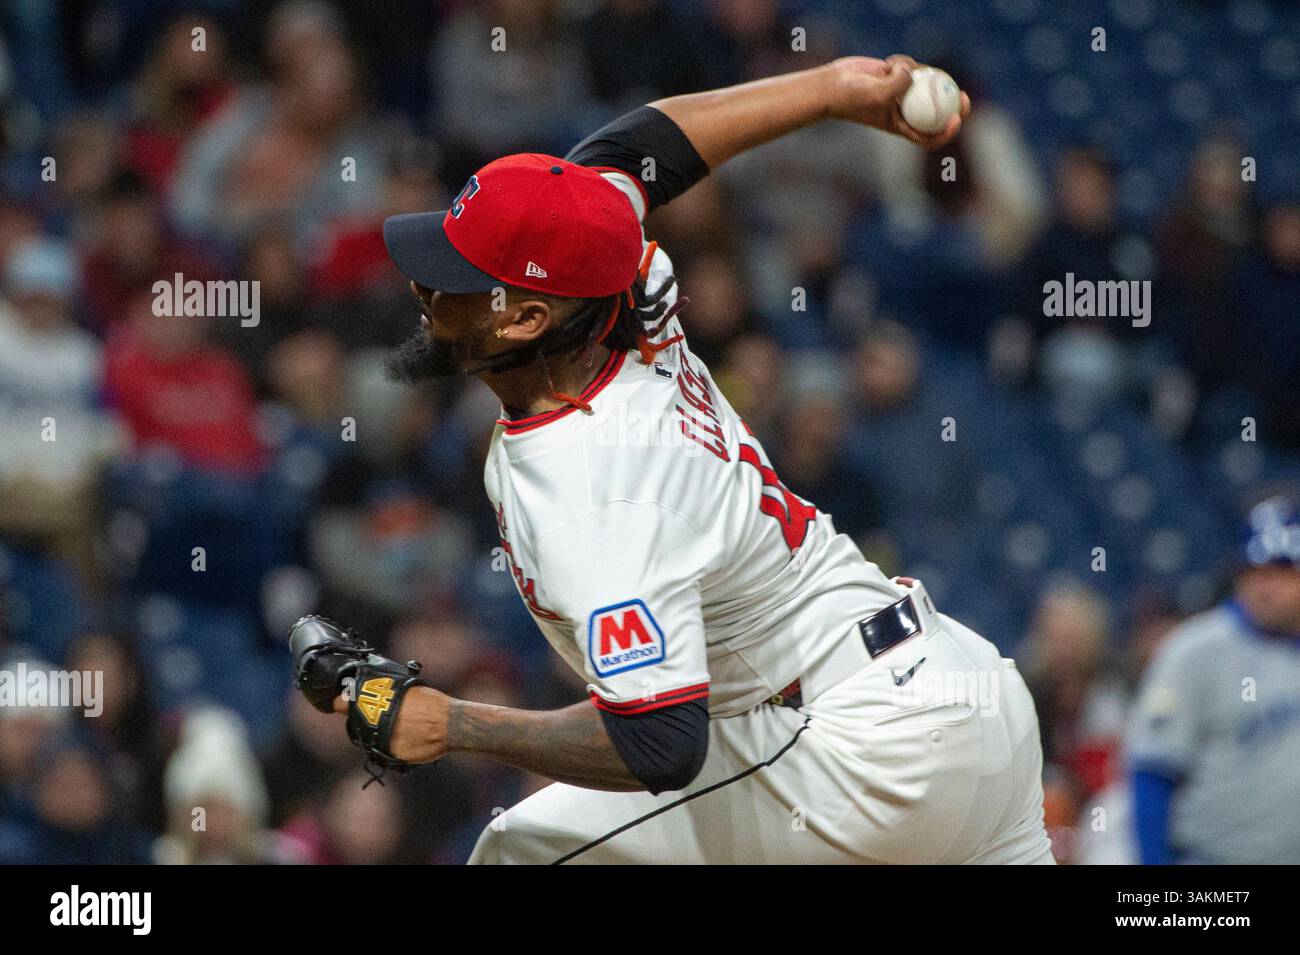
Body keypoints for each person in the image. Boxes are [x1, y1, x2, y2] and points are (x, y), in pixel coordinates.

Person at [302, 54, 1054, 864]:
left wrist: (453, 723)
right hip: (964, 696)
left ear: (523, 319)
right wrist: (829, 91)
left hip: (864, 753)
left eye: (453, 279)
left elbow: (662, 744)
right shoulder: (620, 280)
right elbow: (634, 151)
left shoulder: (595, 487)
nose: (424, 290)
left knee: (523, 852)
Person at [1127, 494, 1300, 864]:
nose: (1266, 586)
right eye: (1255, 572)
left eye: (1282, 572)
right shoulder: (1195, 650)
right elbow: (1152, 772)